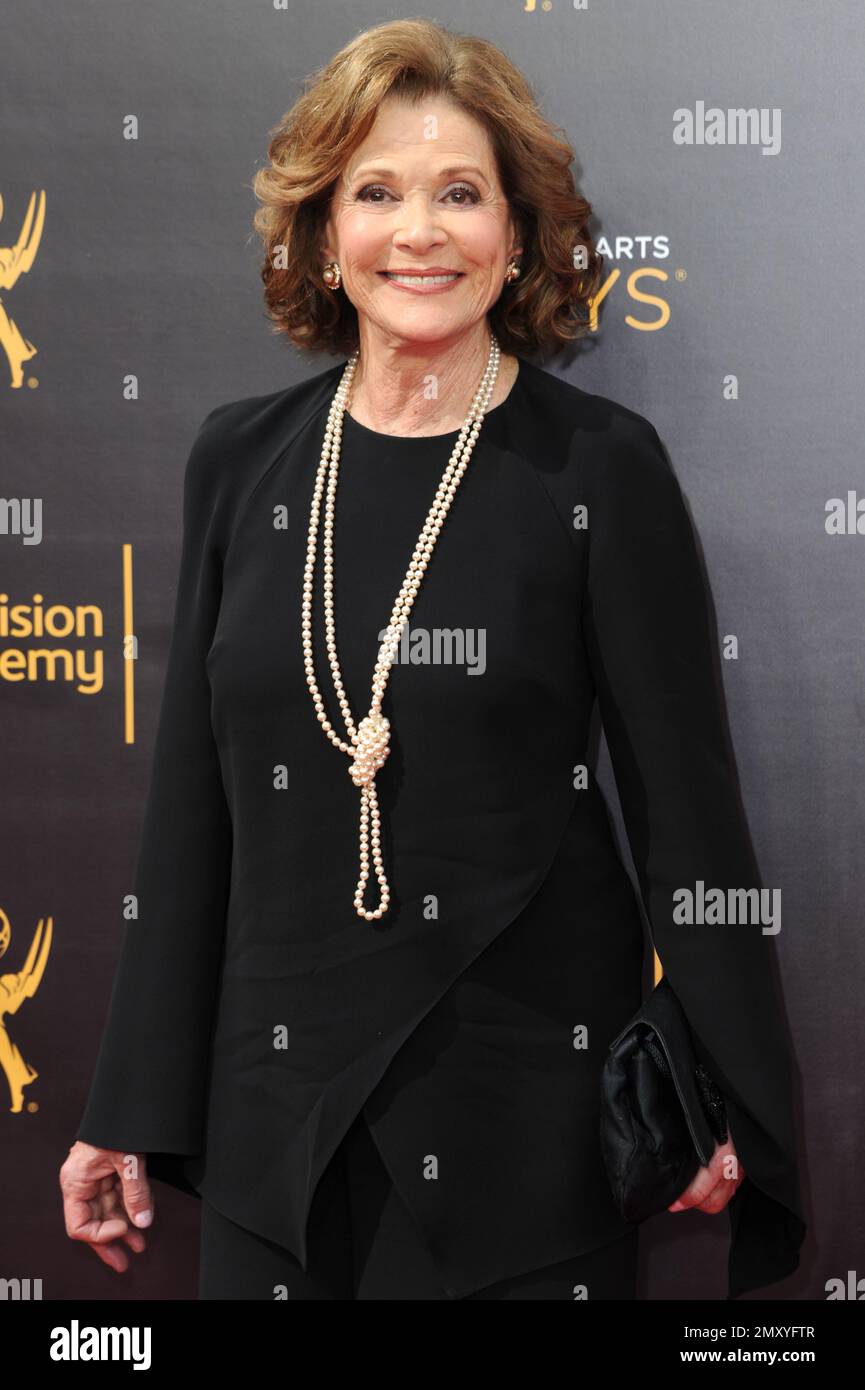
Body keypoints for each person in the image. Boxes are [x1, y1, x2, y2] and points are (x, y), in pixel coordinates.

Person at [61, 18, 806, 1300]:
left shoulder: (597, 468)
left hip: (528, 1142)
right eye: (377, 192)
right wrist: (128, 1100)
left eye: (461, 193)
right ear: (320, 236)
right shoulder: (239, 462)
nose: (420, 231)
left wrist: (716, 1076)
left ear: (515, 235)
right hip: (273, 1136)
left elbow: (687, 813)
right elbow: (190, 814)